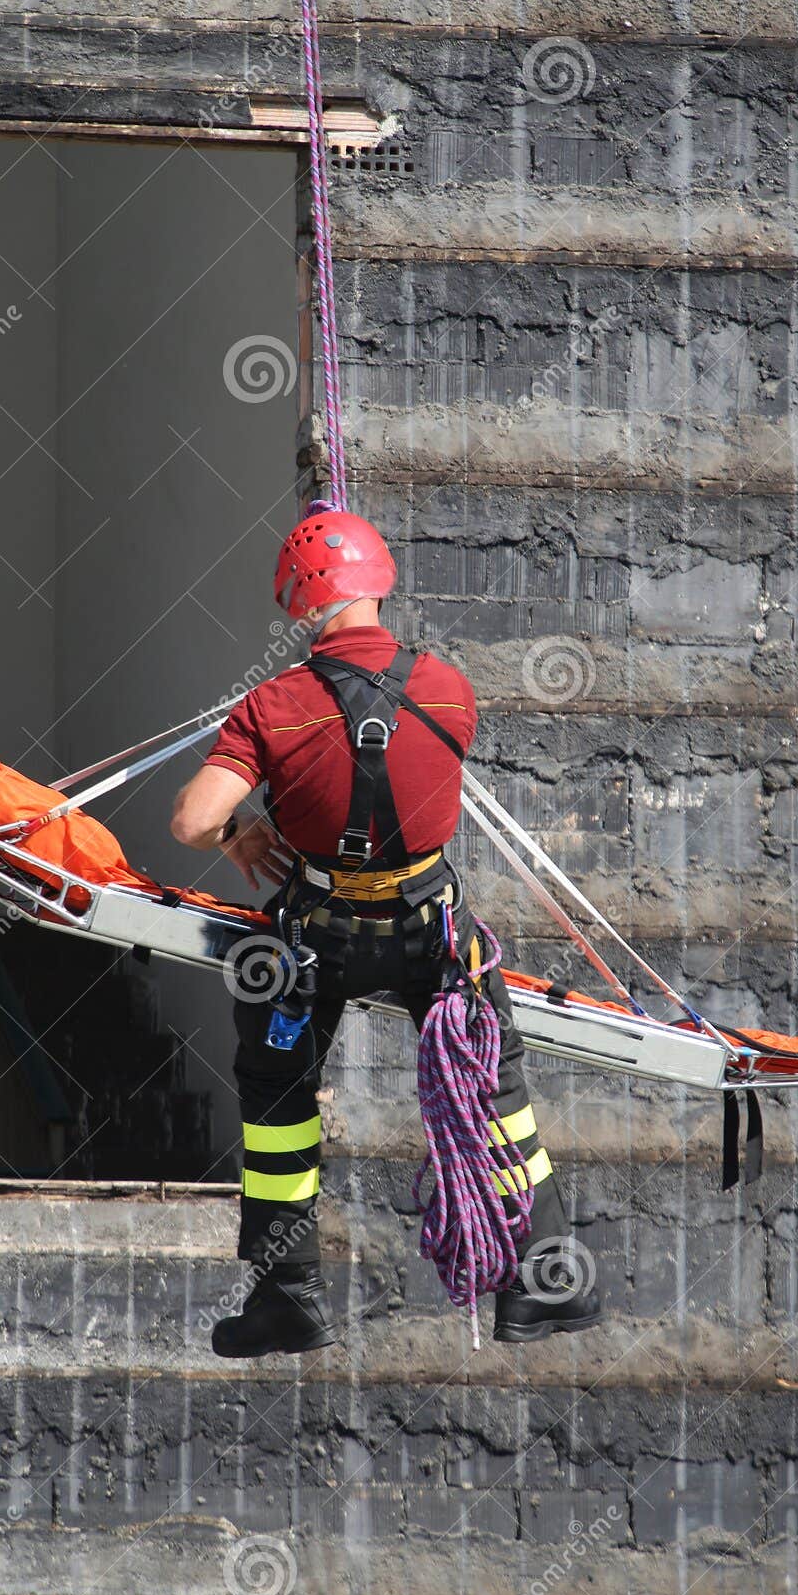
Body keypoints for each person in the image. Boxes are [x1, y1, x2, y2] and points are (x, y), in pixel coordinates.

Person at [171, 507, 601, 1358]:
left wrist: (237, 834)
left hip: (315, 936)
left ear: (299, 598)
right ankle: (543, 1283)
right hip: (430, 929)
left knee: (278, 1101)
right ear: (380, 581)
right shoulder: (448, 687)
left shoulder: (275, 703)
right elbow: (412, 787)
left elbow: (191, 820)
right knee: (494, 1093)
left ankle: (285, 1296)